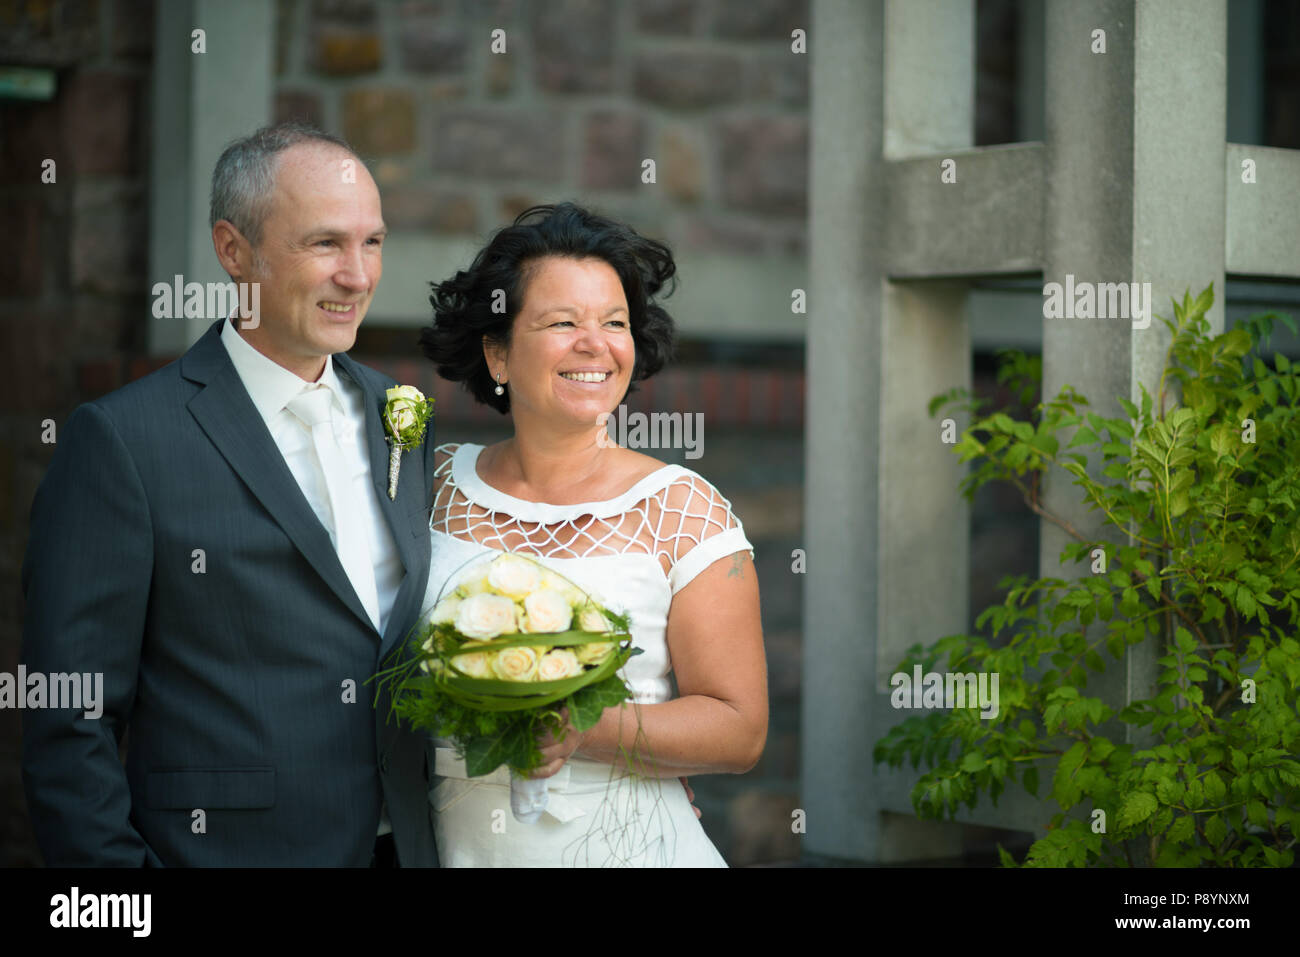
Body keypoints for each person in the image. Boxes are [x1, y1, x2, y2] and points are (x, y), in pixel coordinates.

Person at [21, 122, 437, 866]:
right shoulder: (124, 440)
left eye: (371, 242)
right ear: (234, 250)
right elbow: (66, 712)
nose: (358, 275)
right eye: (325, 244)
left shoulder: (399, 416)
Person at [419, 202, 768, 866]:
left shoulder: (685, 511)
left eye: (614, 322)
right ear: (496, 351)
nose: (595, 343)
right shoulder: (429, 488)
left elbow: (740, 728)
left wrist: (586, 727)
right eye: (562, 322)